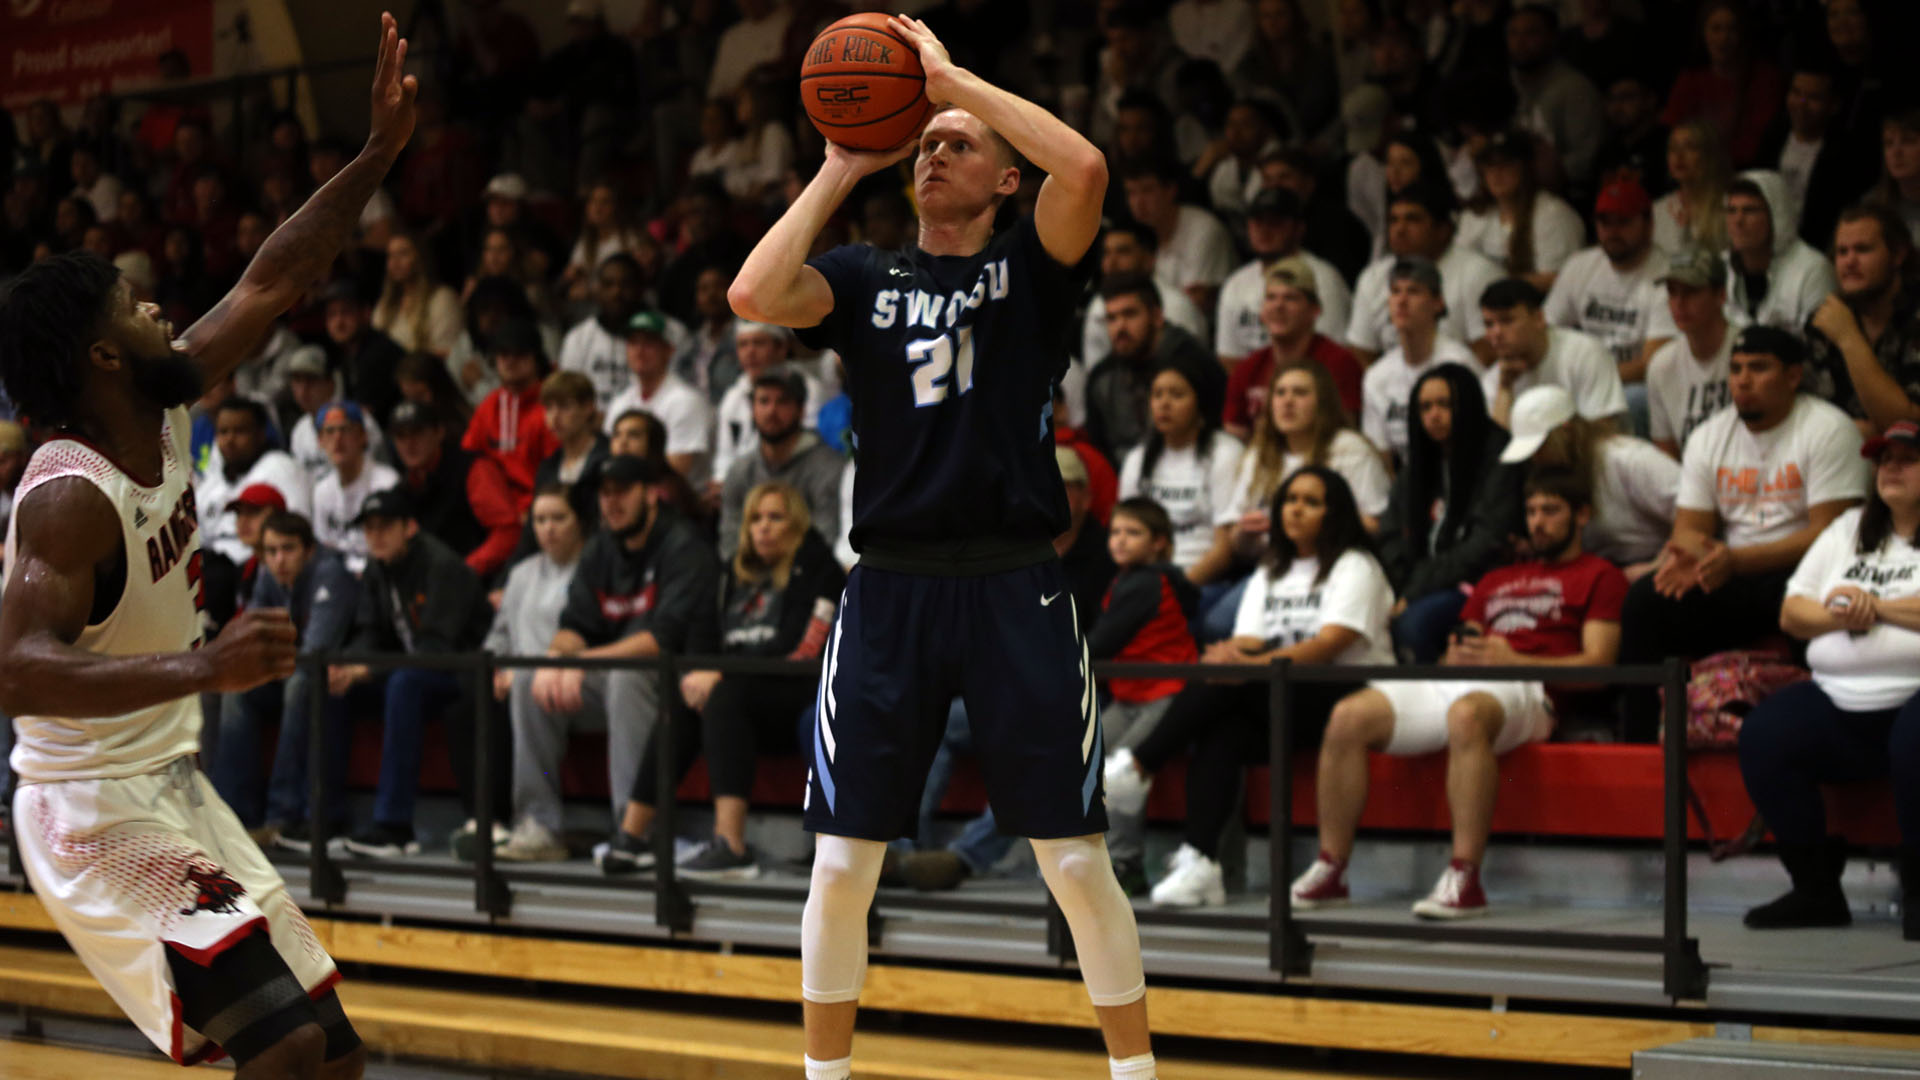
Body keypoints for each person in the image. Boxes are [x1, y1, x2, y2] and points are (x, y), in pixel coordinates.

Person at [727, 14, 1160, 1077]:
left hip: (1016, 583)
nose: (933, 151)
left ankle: (1137, 1073)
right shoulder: (867, 277)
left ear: (1008, 180)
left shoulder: (1035, 264)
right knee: (839, 868)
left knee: (1073, 859)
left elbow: (1088, 164)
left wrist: (952, 81)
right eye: (927, 141)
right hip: (892, 589)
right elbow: (753, 292)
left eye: (958, 143)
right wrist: (839, 165)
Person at [0, 15, 415, 1071]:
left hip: (174, 783)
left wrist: (373, 157)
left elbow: (275, 278)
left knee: (332, 1054)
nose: (157, 307)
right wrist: (206, 664)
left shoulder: (165, 402)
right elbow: (11, 670)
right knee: (277, 1053)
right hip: (92, 812)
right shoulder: (67, 497)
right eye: (133, 306)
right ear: (101, 353)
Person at [1296, 465, 1625, 919]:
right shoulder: (1497, 579)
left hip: (1530, 687)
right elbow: (1463, 639)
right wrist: (1459, 655)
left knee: (1467, 716)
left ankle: (1465, 878)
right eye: (1531, 511)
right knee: (1348, 715)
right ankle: (1330, 868)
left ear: (1582, 514)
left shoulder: (1600, 575)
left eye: (1551, 510)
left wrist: (1513, 662)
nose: (1538, 521)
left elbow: (1598, 667)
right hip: (1466, 678)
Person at [1105, 466, 1394, 907]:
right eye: (1290, 500)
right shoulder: (1271, 571)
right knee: (1222, 729)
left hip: (1343, 693)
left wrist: (1248, 664)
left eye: (1310, 502)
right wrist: (1230, 655)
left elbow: (1331, 643)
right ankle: (1201, 863)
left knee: (1231, 686)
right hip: (1276, 693)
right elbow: (1248, 638)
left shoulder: (1357, 565)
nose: (1295, 509)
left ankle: (1139, 765)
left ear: (1334, 513)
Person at [1617, 327, 1868, 739]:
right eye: (1735, 369)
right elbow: (1690, 528)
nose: (1743, 380)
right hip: (1730, 572)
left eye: (1758, 368)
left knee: (1826, 604)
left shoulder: (1828, 429)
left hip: (1806, 572)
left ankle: (1837, 735)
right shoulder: (1709, 436)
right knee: (1647, 601)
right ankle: (1640, 747)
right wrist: (1689, 558)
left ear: (1792, 376)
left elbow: (1831, 532)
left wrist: (1734, 561)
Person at [1738, 420, 1920, 941]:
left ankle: (1919, 891)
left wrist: (1873, 606)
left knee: (1915, 741)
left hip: (1913, 696)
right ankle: (1815, 888)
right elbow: (1793, 613)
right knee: (1766, 735)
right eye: (1884, 459)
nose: (1890, 468)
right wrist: (1847, 618)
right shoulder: (1847, 528)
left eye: (1906, 459)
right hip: (1839, 699)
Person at [652, 482, 846, 879]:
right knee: (688, 700)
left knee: (723, 693)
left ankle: (731, 845)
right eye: (756, 518)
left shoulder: (818, 567)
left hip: (800, 688)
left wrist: (721, 671)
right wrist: (696, 675)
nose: (764, 527)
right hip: (744, 695)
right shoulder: (731, 573)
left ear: (797, 523)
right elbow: (701, 634)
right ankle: (633, 834)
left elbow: (800, 648)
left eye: (776, 517)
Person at [325, 489, 494, 857]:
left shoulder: (442, 567)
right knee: (332, 687)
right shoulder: (377, 567)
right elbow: (369, 632)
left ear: (410, 527)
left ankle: (395, 827)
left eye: (385, 527)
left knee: (403, 684)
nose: (376, 536)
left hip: (462, 675)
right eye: (369, 528)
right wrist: (349, 666)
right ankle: (326, 817)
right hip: (410, 673)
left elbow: (436, 650)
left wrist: (367, 669)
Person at [211, 511, 357, 848]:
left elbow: (315, 649)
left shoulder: (330, 574)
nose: (279, 560)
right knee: (237, 691)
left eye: (288, 549)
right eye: (271, 551)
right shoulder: (267, 574)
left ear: (309, 550)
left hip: (338, 680)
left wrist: (268, 659)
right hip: (288, 671)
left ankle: (283, 815)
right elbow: (254, 639)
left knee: (300, 683)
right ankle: (234, 815)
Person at [1378, 366, 1523, 662]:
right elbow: (1390, 536)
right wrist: (1400, 589)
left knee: (1414, 625)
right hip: (1416, 585)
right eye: (1425, 407)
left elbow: (1486, 542)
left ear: (1466, 405)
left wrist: (1415, 590)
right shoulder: (1416, 467)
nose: (1434, 415)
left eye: (1444, 405)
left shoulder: (1499, 456)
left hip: (1479, 582)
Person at [485, 484, 586, 862]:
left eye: (559, 518)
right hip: (524, 685)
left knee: (527, 687)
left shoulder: (592, 564)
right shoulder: (522, 573)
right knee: (476, 691)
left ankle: (540, 821)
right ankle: (492, 820)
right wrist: (501, 667)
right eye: (540, 520)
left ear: (580, 521)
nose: (549, 528)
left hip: (579, 680)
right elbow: (498, 636)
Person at [1502, 386, 1677, 573]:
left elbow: (1692, 515)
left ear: (1566, 431)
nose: (1535, 458)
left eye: (1541, 447)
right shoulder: (1555, 475)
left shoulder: (1628, 459)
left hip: (1653, 566)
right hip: (1596, 571)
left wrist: (1657, 566)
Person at [1543, 178, 1678, 420]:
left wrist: (1591, 377)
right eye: (1605, 222)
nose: (1612, 232)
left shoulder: (1668, 275)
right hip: (1585, 376)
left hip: (1634, 385)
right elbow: (1545, 329)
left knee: (1633, 399)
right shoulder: (1580, 265)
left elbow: (1651, 363)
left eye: (1623, 222)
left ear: (1649, 224)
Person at [1117, 355, 1244, 590]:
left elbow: (1224, 549)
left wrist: (1175, 592)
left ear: (1200, 403)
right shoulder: (1138, 459)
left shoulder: (1225, 453)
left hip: (1204, 581)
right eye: (1157, 395)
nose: (1164, 404)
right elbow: (1123, 535)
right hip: (1145, 583)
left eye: (1176, 395)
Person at [1345, 182, 1503, 368]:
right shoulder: (1372, 277)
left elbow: (1488, 347)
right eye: (1394, 220)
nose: (1400, 229)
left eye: (1412, 219)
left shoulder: (1477, 272)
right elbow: (1361, 350)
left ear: (1442, 230)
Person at [1806, 204, 1920, 434]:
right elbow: (1815, 427)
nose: (1849, 262)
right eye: (1842, 252)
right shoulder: (1825, 319)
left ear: (1898, 255)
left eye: (1863, 249)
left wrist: (1849, 339)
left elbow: (1907, 426)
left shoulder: (1915, 317)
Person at [1087, 272, 1224, 464]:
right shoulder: (1102, 377)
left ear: (1157, 316)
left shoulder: (1195, 365)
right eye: (1112, 318)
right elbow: (1098, 451)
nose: (1120, 327)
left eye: (1129, 314)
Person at [1222, 257, 1363, 438]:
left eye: (1290, 298)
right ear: (1262, 311)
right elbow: (1234, 433)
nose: (1278, 306)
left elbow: (1346, 431)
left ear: (1315, 310)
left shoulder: (1339, 363)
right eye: (1271, 297)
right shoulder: (1247, 369)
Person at [1361, 257, 1481, 466]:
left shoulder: (1460, 364)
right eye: (1395, 291)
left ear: (1438, 303)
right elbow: (1383, 457)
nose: (1402, 300)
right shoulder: (1377, 376)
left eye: (1413, 291)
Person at [1215, 188, 1352, 369]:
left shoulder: (1323, 280)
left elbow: (1332, 356)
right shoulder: (1236, 284)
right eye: (1258, 221)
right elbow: (1230, 360)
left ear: (1298, 229)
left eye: (1275, 222)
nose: (1264, 230)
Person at [717, 368, 844, 561]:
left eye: (783, 401)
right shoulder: (740, 470)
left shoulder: (829, 467)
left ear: (801, 411)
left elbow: (827, 539)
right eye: (763, 401)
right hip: (751, 580)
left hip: (809, 579)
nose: (771, 410)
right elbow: (730, 545)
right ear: (752, 410)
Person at [1480, 278, 1627, 430]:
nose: (1496, 333)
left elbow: (1605, 430)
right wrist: (1505, 388)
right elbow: (1496, 449)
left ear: (1539, 318)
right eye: (1489, 324)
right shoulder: (1493, 379)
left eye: (1507, 320)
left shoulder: (1585, 353)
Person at [1455, 130, 1586, 291]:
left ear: (1525, 168)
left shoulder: (1554, 215)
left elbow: (1558, 279)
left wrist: (1496, 283)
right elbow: (1459, 265)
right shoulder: (1475, 215)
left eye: (1506, 164)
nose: (1497, 173)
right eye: (1490, 165)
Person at [1659, 0, 1781, 170]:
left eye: (1732, 29)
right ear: (1703, 33)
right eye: (1716, 29)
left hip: (1747, 170)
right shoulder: (1690, 78)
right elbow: (1674, 127)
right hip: (1697, 170)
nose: (1724, 38)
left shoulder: (1764, 78)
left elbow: (1760, 137)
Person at [462, 318, 560, 519]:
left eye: (520, 354)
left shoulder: (551, 406)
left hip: (538, 510)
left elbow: (556, 473)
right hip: (493, 510)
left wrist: (530, 510)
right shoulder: (489, 406)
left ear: (536, 358)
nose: (510, 361)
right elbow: (468, 460)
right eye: (503, 354)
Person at [196, 396, 312, 564]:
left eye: (240, 431)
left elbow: (298, 533)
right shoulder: (210, 483)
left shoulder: (280, 468)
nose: (230, 439)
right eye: (223, 431)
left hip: (266, 567)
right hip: (217, 573)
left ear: (260, 434)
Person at [603, 309, 714, 485]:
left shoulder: (685, 401)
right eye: (633, 342)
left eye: (649, 343)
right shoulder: (621, 402)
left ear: (669, 350)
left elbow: (676, 471)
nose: (639, 351)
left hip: (680, 502)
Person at [1723, 171, 1838, 338]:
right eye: (1731, 210)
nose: (1738, 220)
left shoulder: (1813, 270)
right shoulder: (1719, 266)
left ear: (1777, 215)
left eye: (1749, 210)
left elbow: (1821, 348)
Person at [1121, 156, 1237, 318]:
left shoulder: (1204, 230)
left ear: (1170, 190)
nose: (1138, 202)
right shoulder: (1144, 234)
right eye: (1131, 192)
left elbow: (1196, 302)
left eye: (1147, 190)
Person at [1645, 248, 1734, 457]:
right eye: (1672, 292)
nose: (1679, 303)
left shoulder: (1749, 350)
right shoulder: (1662, 365)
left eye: (1691, 291)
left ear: (1721, 295)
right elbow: (1667, 458)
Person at [1505, 3, 1605, 186]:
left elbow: (1587, 157)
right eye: (1513, 33)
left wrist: (1532, 176)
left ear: (1552, 37)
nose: (1520, 42)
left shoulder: (1575, 88)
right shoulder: (1505, 86)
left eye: (1531, 33)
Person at [388, 401, 490, 576]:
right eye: (401, 436)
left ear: (439, 432)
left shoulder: (471, 468)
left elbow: (506, 532)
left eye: (417, 433)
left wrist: (465, 570)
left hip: (478, 579)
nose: (409, 444)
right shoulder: (401, 490)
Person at [713, 321, 822, 481]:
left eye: (759, 343)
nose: (750, 352)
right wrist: (721, 482)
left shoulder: (809, 388)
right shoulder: (733, 396)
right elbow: (725, 455)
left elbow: (810, 446)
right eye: (743, 344)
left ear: (781, 348)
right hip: (742, 482)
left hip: (797, 477)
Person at [310, 402, 400, 574]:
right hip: (340, 578)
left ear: (362, 436)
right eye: (329, 431)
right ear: (320, 441)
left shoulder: (387, 483)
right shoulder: (321, 490)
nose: (337, 438)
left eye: (345, 429)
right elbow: (324, 548)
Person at [284, 347, 389, 483]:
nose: (303, 390)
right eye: (297, 380)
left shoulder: (359, 420)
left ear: (331, 383)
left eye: (312, 380)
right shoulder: (300, 430)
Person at [319, 278, 407, 426]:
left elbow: (362, 418)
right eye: (332, 315)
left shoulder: (380, 352)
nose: (338, 322)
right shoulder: (344, 353)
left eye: (346, 312)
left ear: (366, 313)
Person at [371, 232, 461, 358]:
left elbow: (447, 352)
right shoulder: (385, 305)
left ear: (420, 257)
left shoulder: (441, 299)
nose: (395, 262)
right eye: (391, 255)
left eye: (403, 253)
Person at [1653, 122, 1731, 260]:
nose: (1679, 155)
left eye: (1690, 147)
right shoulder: (1658, 209)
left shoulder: (1728, 205)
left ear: (1709, 154)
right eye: (1673, 148)